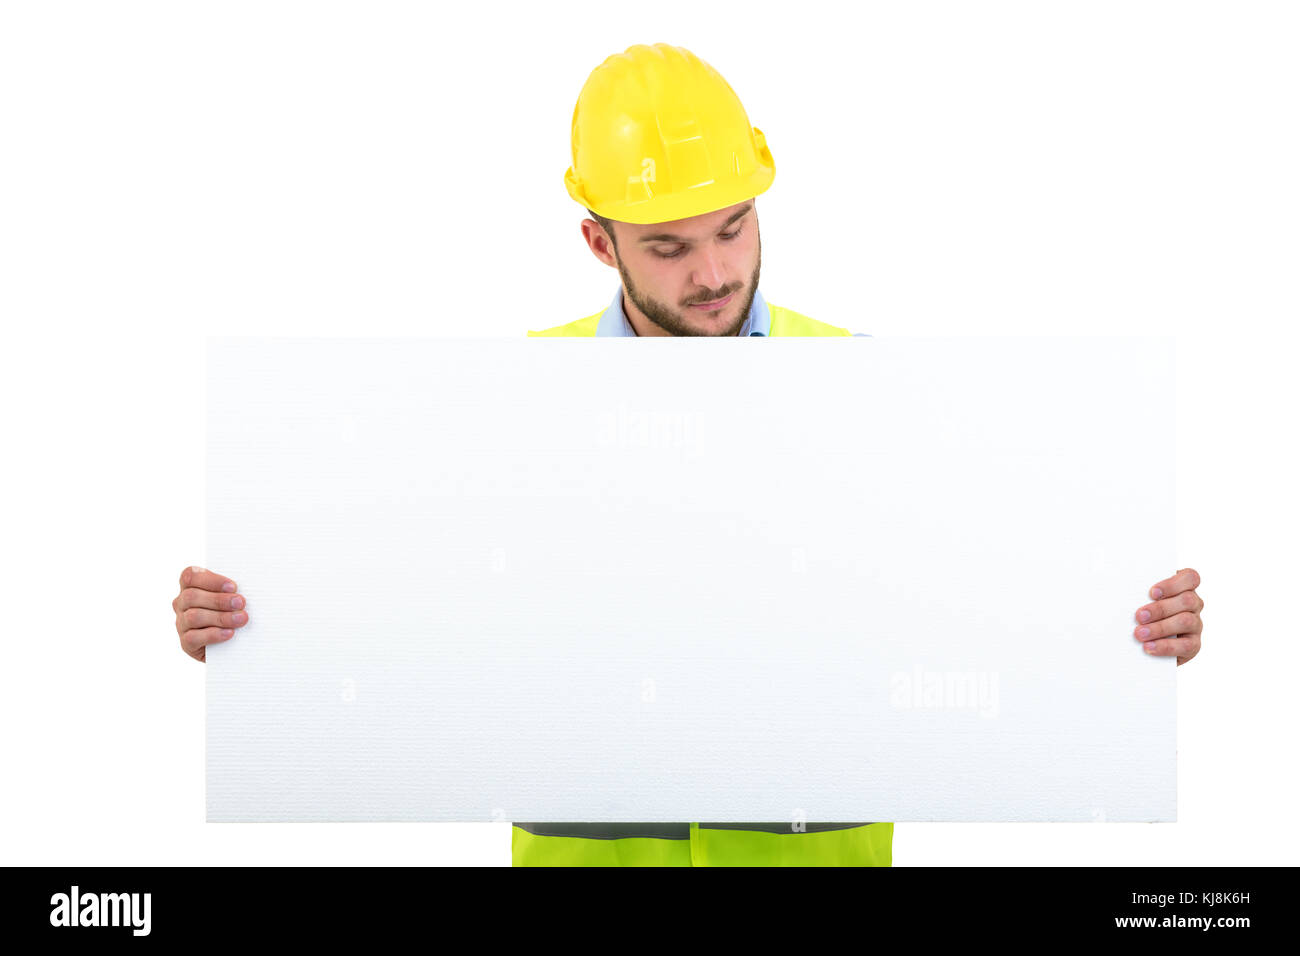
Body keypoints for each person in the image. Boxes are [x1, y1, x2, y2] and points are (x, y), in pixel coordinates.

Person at [174, 43, 1206, 867]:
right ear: (597, 243)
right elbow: (404, 604)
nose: (714, 272)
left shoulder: (873, 392)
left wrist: (1121, 627)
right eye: (667, 246)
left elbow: (989, 595)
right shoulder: (504, 409)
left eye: (733, 226)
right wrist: (258, 633)